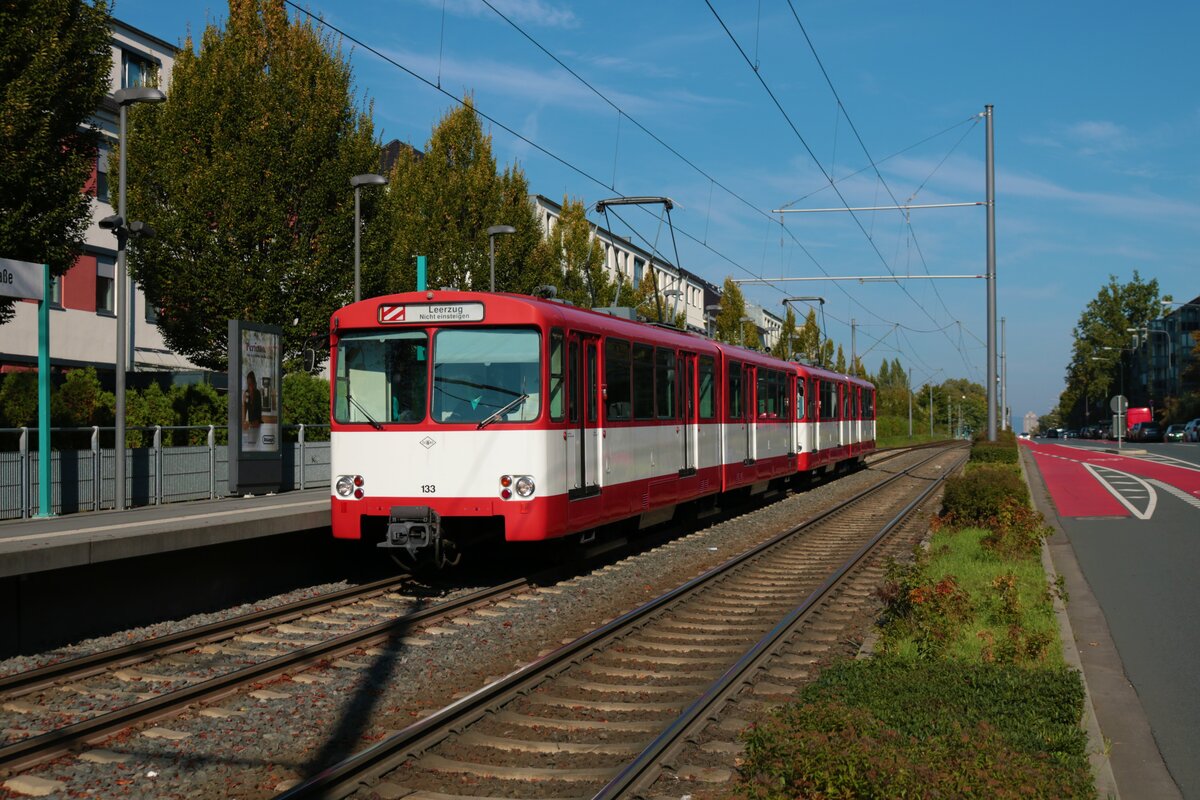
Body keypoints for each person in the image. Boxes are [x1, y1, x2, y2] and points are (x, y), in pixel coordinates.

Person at [243, 370, 263, 446]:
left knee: (256, 441)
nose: (249, 385)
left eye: (251, 383)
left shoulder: (257, 393)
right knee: (250, 442)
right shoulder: (246, 393)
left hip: (256, 422)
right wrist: (244, 420)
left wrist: (258, 421)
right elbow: (244, 407)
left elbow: (258, 408)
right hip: (250, 422)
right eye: (248, 383)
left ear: (253, 382)